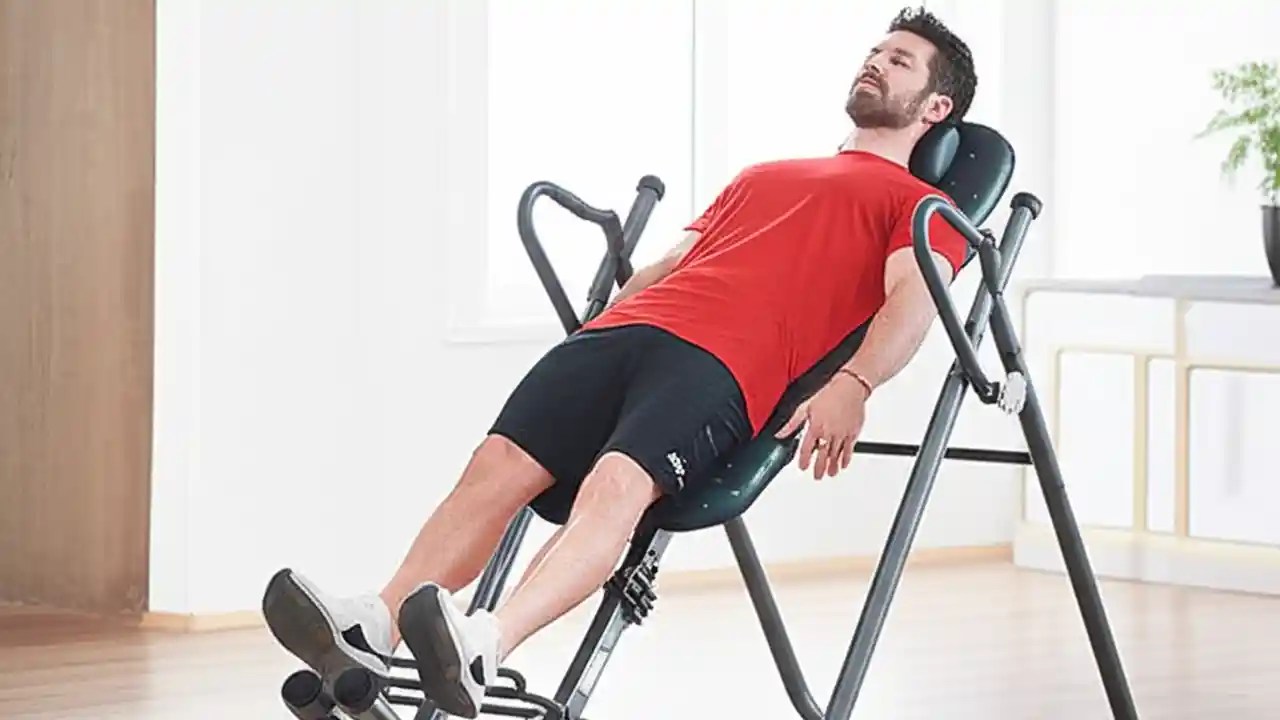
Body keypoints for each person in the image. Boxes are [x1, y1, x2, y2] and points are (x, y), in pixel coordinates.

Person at [262, 6, 977, 718]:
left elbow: (912, 304)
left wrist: (854, 383)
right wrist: (594, 333)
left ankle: (485, 643)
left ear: (935, 106)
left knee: (615, 487)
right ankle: (374, 626)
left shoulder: (923, 206)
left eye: (900, 60)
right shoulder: (766, 173)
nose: (876, 62)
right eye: (876, 50)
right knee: (495, 467)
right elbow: (671, 262)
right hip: (623, 333)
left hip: (721, 365)